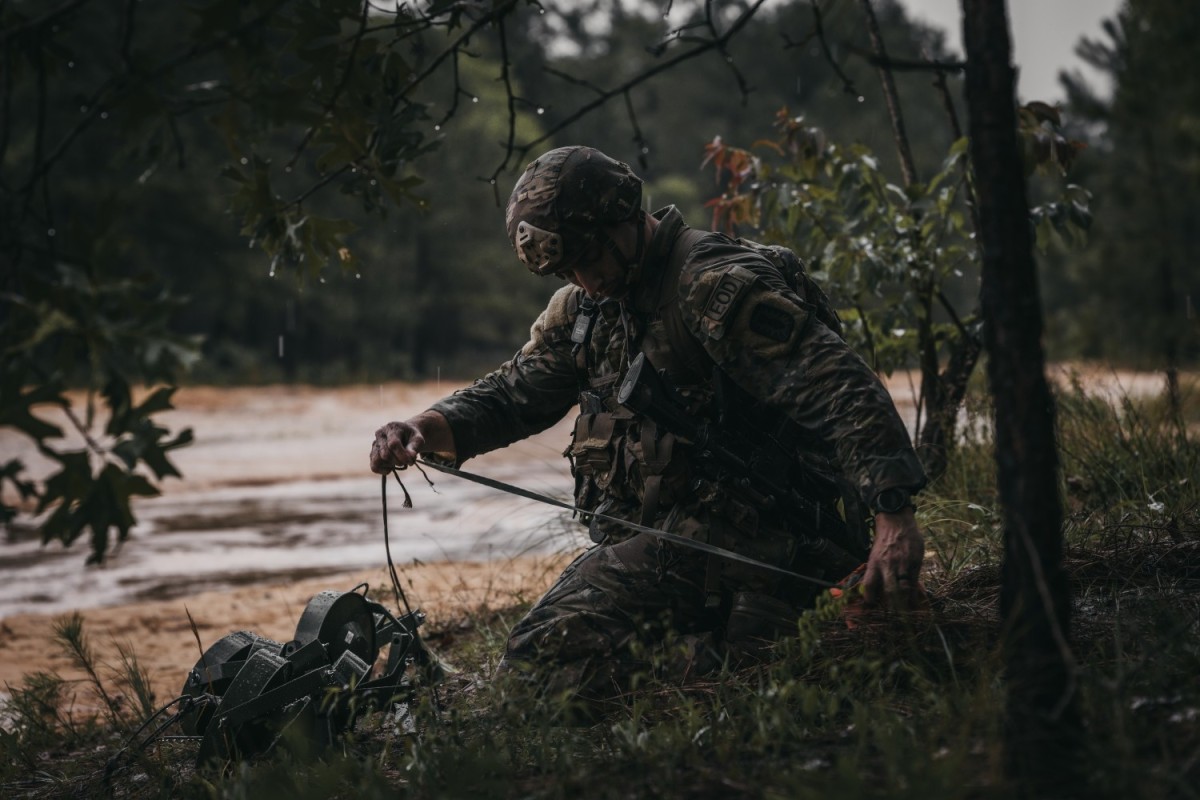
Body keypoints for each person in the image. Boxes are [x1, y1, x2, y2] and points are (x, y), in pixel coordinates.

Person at [370, 146, 927, 703]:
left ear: (625, 218)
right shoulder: (586, 309)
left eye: (588, 259)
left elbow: (840, 387)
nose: (584, 280)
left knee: (534, 668)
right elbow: (514, 395)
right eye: (567, 270)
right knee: (547, 658)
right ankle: (745, 645)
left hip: (767, 543)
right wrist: (423, 426)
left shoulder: (710, 286)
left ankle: (759, 653)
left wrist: (894, 515)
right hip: (679, 546)